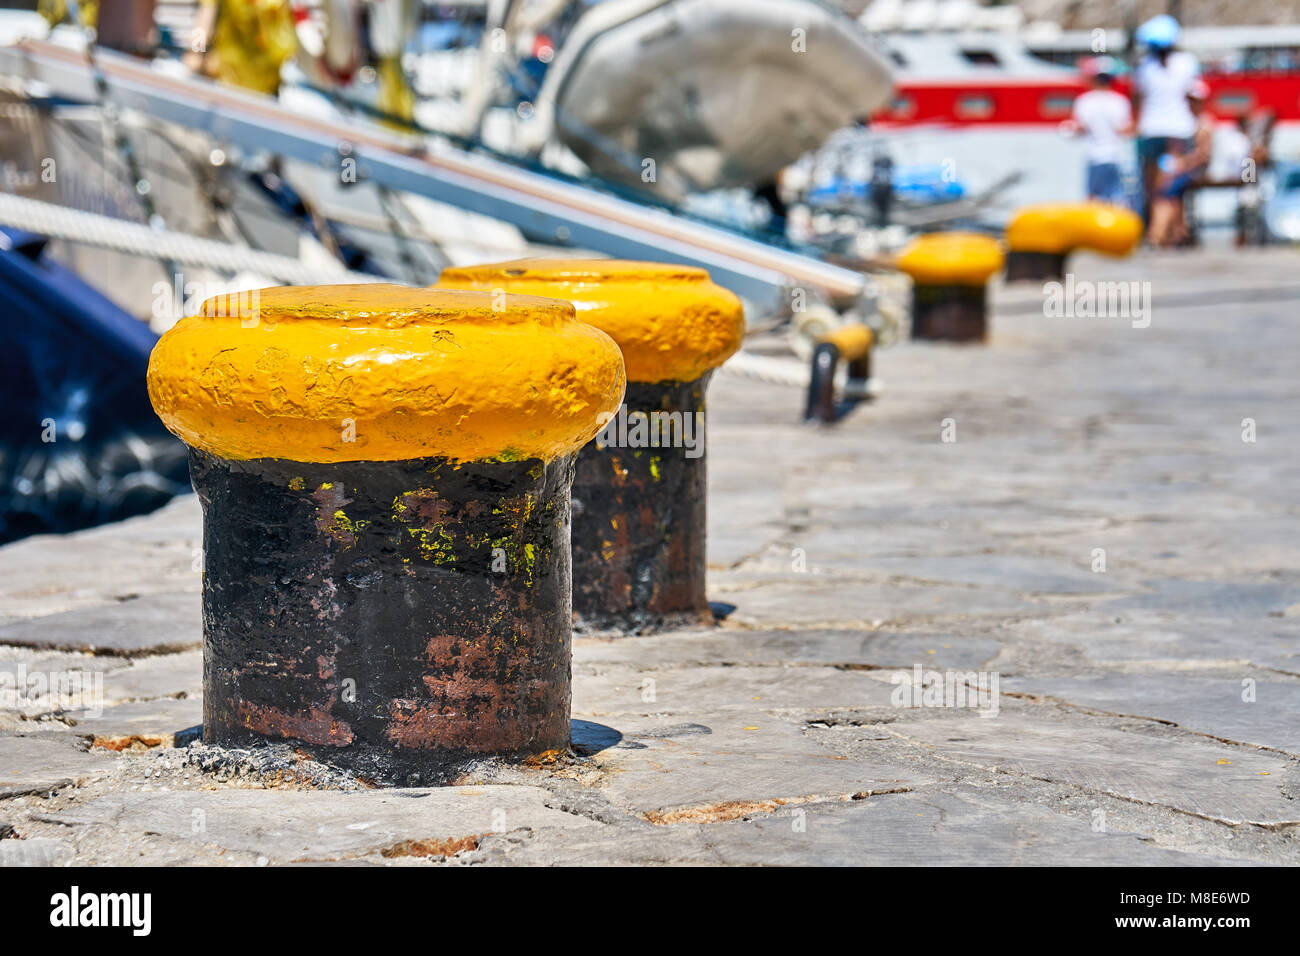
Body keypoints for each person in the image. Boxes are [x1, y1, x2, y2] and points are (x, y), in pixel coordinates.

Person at [1133, 15, 1201, 224]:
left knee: (1153, 186)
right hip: (1179, 133)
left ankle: (1159, 230)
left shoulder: (1143, 67)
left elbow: (1138, 99)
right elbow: (1194, 97)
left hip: (1150, 131)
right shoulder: (1187, 63)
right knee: (1171, 185)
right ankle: (1168, 232)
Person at [1149, 82, 1214, 247]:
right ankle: (1175, 230)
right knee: (1164, 186)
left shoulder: (1204, 124)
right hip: (1182, 169)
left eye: (1194, 100)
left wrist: (1181, 165)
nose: (1190, 104)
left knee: (1168, 191)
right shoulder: (1183, 121)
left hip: (1195, 170)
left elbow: (1203, 156)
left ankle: (1161, 233)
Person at [1067, 56, 1133, 204]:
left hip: (1094, 156)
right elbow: (1124, 129)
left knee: (1093, 198)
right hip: (1115, 157)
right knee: (1115, 198)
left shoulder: (1085, 101)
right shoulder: (1119, 101)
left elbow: (1080, 128)